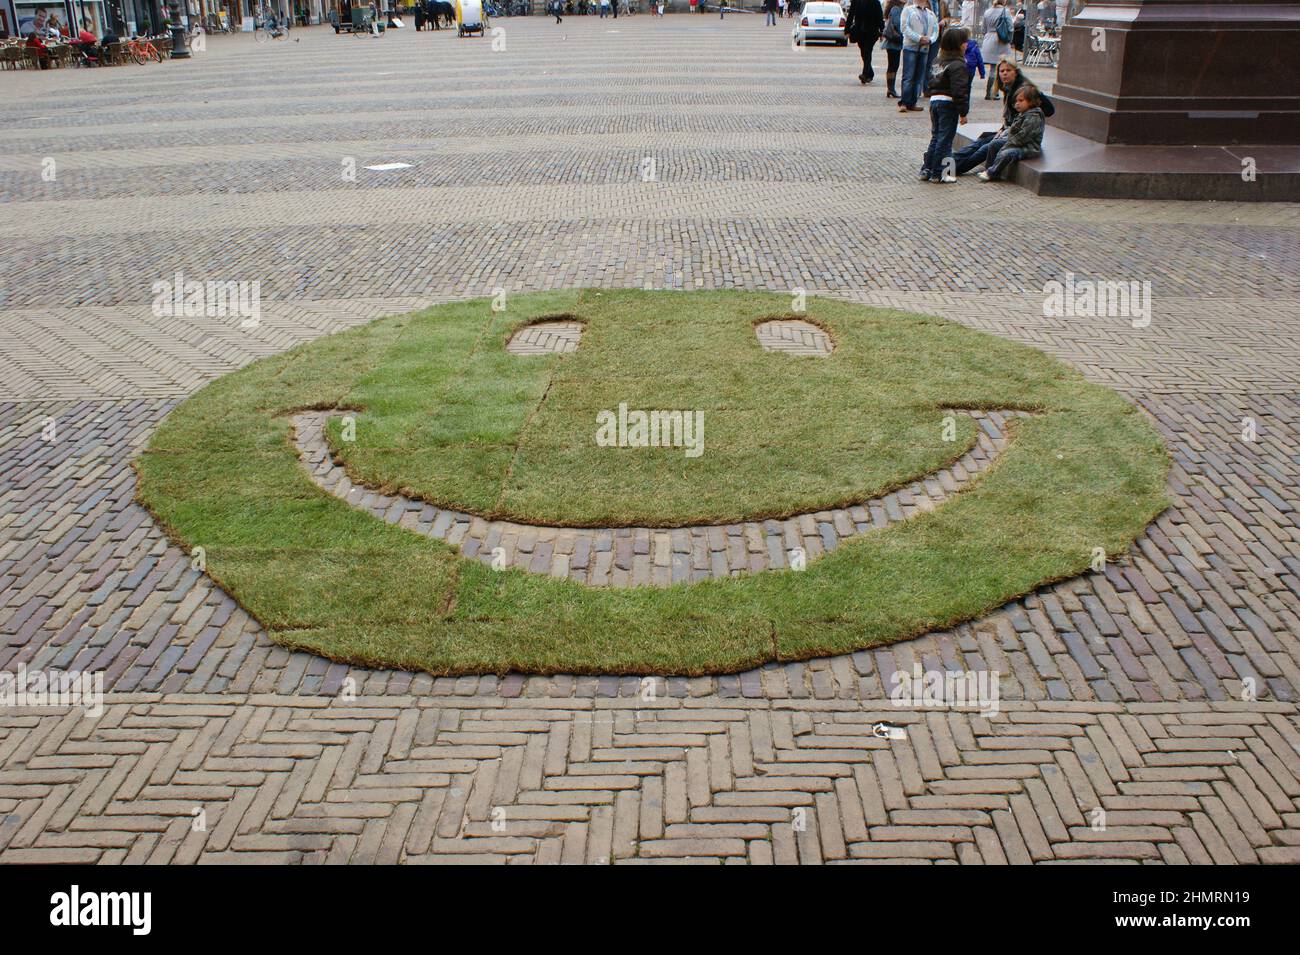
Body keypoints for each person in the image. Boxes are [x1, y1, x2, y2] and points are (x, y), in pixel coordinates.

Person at [919, 26, 970, 181]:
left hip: (935, 101)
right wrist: (963, 112)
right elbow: (959, 91)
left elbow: (931, 81)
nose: (967, 44)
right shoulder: (958, 65)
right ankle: (939, 172)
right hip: (948, 103)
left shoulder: (937, 61)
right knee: (945, 139)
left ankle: (927, 168)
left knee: (936, 136)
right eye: (965, 42)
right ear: (959, 45)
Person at [979, 83, 1044, 180]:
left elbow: (1023, 136)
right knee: (994, 144)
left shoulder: (1033, 117)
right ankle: (989, 169)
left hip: (1028, 147)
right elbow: (1014, 130)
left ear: (1031, 102)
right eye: (1016, 101)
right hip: (1016, 142)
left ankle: (992, 173)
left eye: (1021, 101)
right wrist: (1005, 135)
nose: (1017, 103)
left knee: (1006, 153)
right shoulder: (1023, 114)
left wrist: (1007, 144)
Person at [898, 0, 938, 113]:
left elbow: (936, 30)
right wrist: (918, 38)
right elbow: (904, 28)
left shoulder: (931, 13)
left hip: (925, 48)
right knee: (908, 75)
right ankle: (904, 102)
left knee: (919, 76)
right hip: (911, 46)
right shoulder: (908, 10)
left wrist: (931, 39)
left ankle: (913, 102)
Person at [844, 0, 884, 84]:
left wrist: (882, 31)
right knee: (863, 53)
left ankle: (865, 74)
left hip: (872, 32)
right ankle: (870, 73)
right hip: (859, 32)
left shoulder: (875, 2)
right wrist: (847, 30)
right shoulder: (856, 1)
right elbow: (851, 15)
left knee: (867, 51)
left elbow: (880, 16)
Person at [980, 0, 1012, 98]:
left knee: (993, 68)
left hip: (988, 39)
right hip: (1001, 40)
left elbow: (983, 29)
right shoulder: (1005, 11)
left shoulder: (987, 11)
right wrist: (1010, 40)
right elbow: (1010, 28)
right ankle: (994, 92)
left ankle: (990, 92)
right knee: (1000, 67)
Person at [881, 0, 904, 97]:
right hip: (893, 42)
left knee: (893, 65)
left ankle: (891, 88)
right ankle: (891, 88)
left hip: (894, 42)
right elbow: (897, 24)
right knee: (893, 65)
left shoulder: (898, 8)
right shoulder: (896, 9)